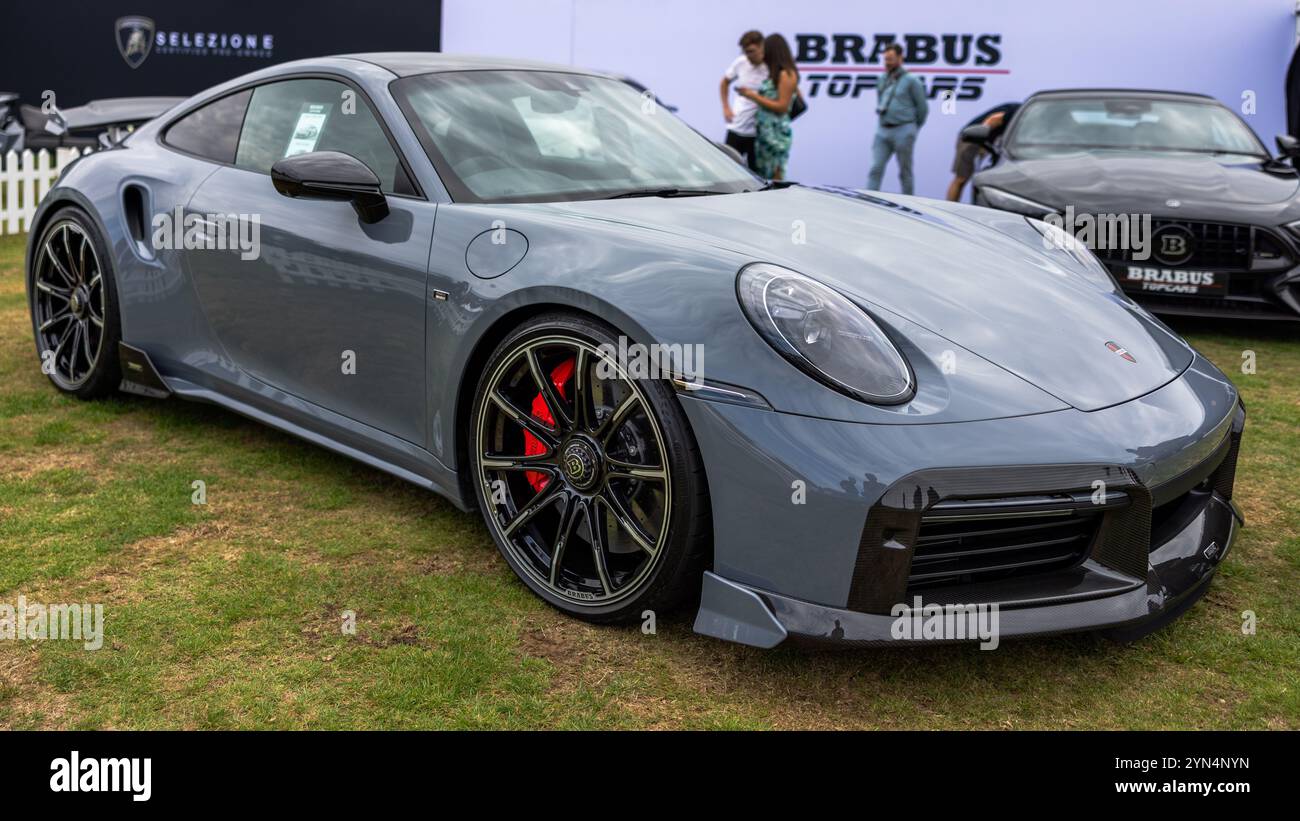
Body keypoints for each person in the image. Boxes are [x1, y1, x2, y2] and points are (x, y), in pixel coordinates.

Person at [866, 43, 928, 195]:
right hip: (883, 130)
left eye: (891, 59)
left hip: (904, 128)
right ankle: (868, 201)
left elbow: (922, 108)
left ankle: (909, 204)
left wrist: (912, 129)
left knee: (905, 171)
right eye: (886, 59)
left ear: (901, 58)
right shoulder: (882, 79)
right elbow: (881, 101)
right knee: (875, 168)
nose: (888, 63)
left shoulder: (911, 80)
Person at [736, 33, 799, 179]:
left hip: (776, 135)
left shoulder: (786, 74)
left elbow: (783, 106)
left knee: (774, 177)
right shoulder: (775, 73)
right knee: (762, 176)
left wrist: (753, 96)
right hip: (765, 134)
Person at [946, 102, 1021, 201]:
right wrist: (981, 141)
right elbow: (993, 120)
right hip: (971, 139)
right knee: (961, 179)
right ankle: (951, 207)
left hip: (989, 142)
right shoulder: (1017, 112)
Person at [719, 30, 767, 172]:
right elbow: (724, 82)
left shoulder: (771, 66)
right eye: (746, 52)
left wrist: (752, 95)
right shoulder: (741, 62)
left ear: (762, 46)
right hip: (736, 128)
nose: (749, 56)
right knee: (728, 171)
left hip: (759, 132)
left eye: (752, 51)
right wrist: (726, 107)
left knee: (758, 176)